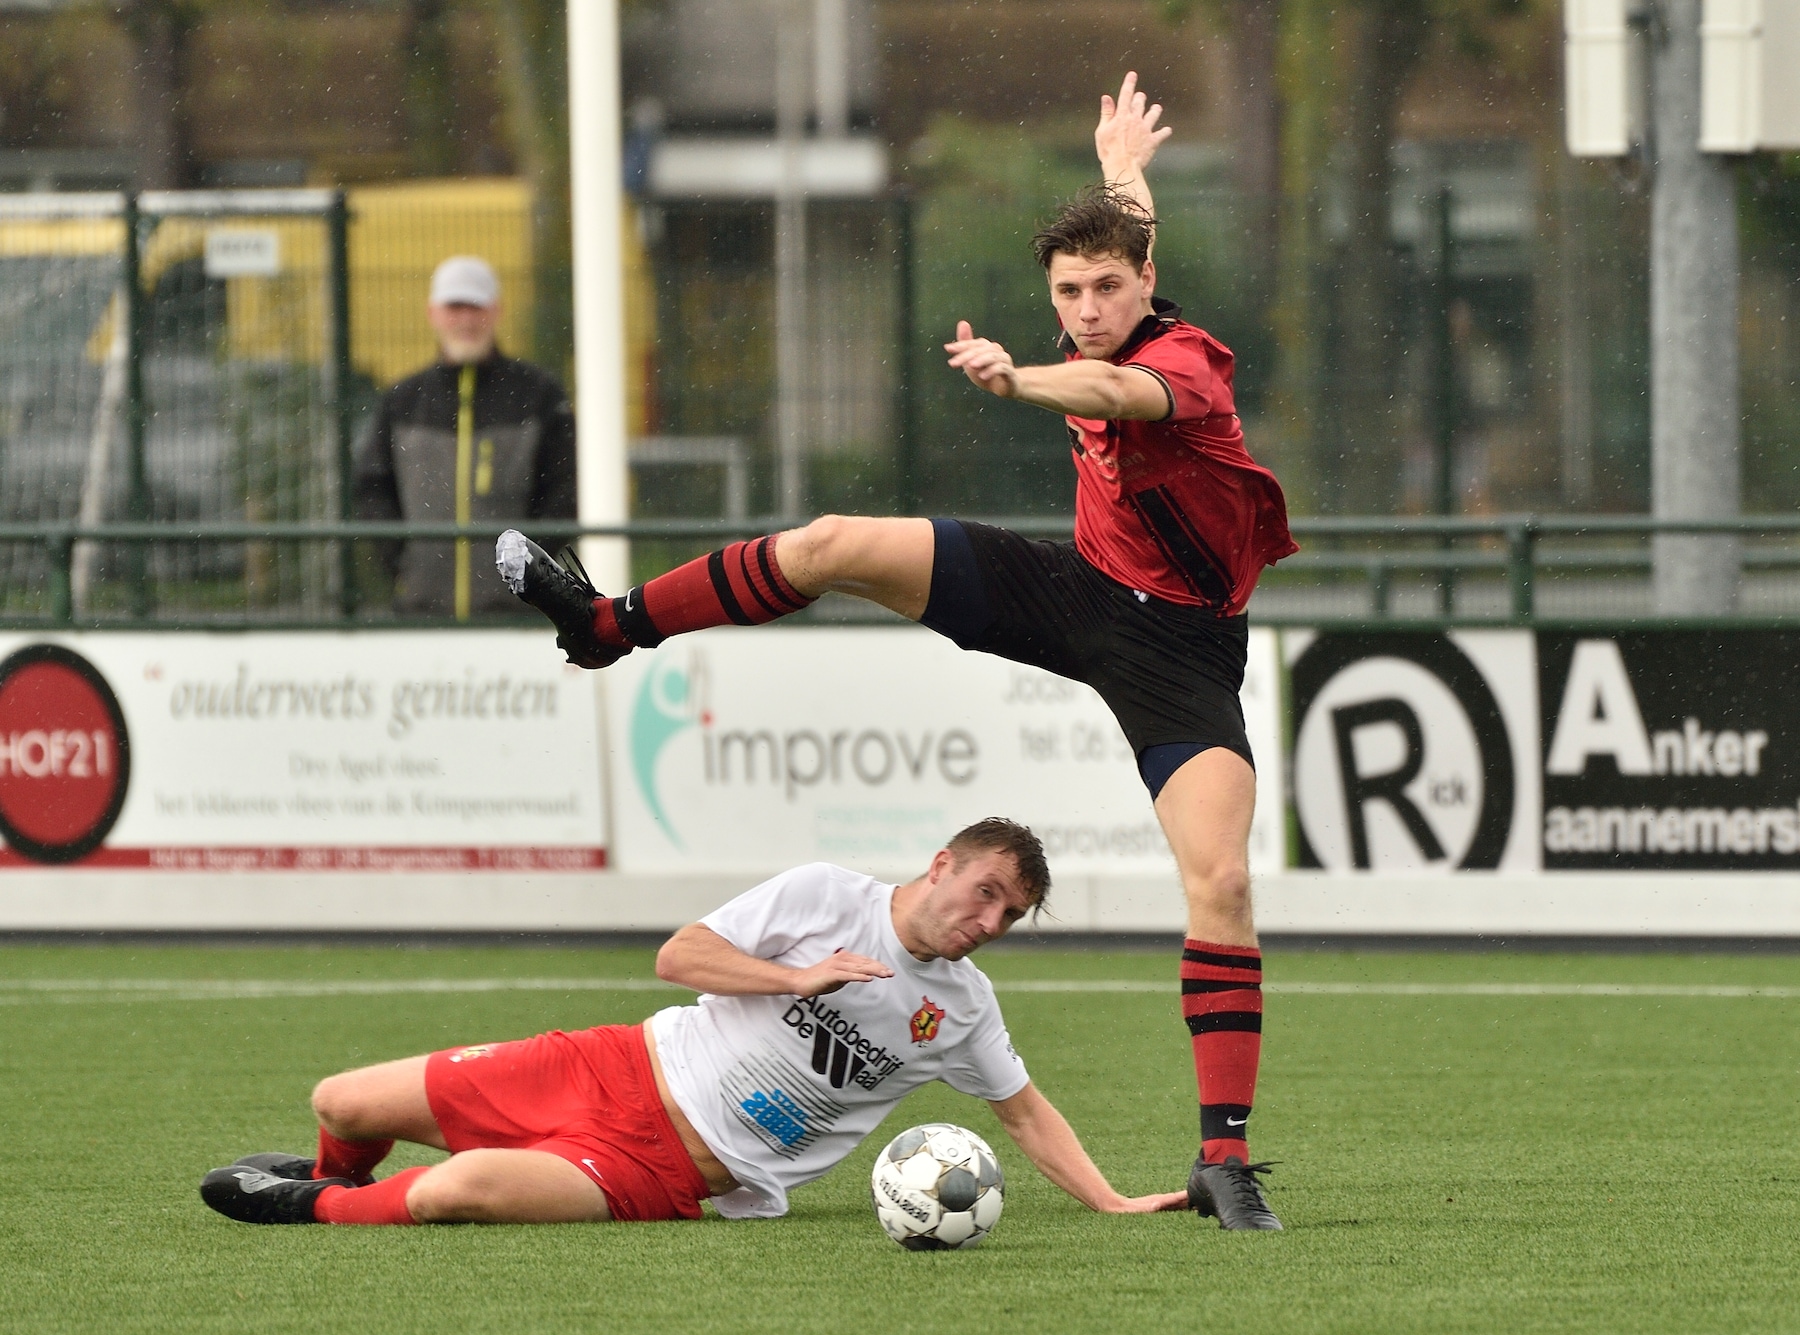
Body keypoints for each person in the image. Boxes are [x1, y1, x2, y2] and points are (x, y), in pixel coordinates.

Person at [496, 74, 1293, 1229]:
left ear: (1147, 286)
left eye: (1108, 286)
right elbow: (1116, 258)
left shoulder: (1185, 368)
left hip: (1180, 646)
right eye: (1067, 290)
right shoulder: (1106, 280)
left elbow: (1119, 386)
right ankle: (607, 625)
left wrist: (1021, 377)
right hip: (1071, 589)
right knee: (828, 544)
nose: (1086, 305)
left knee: (1220, 883)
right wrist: (1124, 165)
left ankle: (1223, 1156)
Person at [199, 820, 1188, 1227]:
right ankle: (339, 1177)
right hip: (613, 1066)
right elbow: (677, 957)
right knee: (343, 1100)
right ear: (941, 865)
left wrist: (1111, 1202)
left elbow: (1023, 1113)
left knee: (458, 1190)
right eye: (983, 894)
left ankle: (308, 1212)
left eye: (1007, 916)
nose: (987, 923)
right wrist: (792, 980)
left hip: (672, 1169)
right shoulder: (822, 896)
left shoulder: (961, 1012)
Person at [354, 255, 576, 620]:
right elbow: (372, 491)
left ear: (496, 311)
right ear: (433, 313)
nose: (466, 319)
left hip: (516, 621)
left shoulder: (539, 396)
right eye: (454, 306)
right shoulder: (401, 401)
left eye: (476, 306)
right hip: (420, 614)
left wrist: (530, 574)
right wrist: (404, 568)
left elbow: (564, 492)